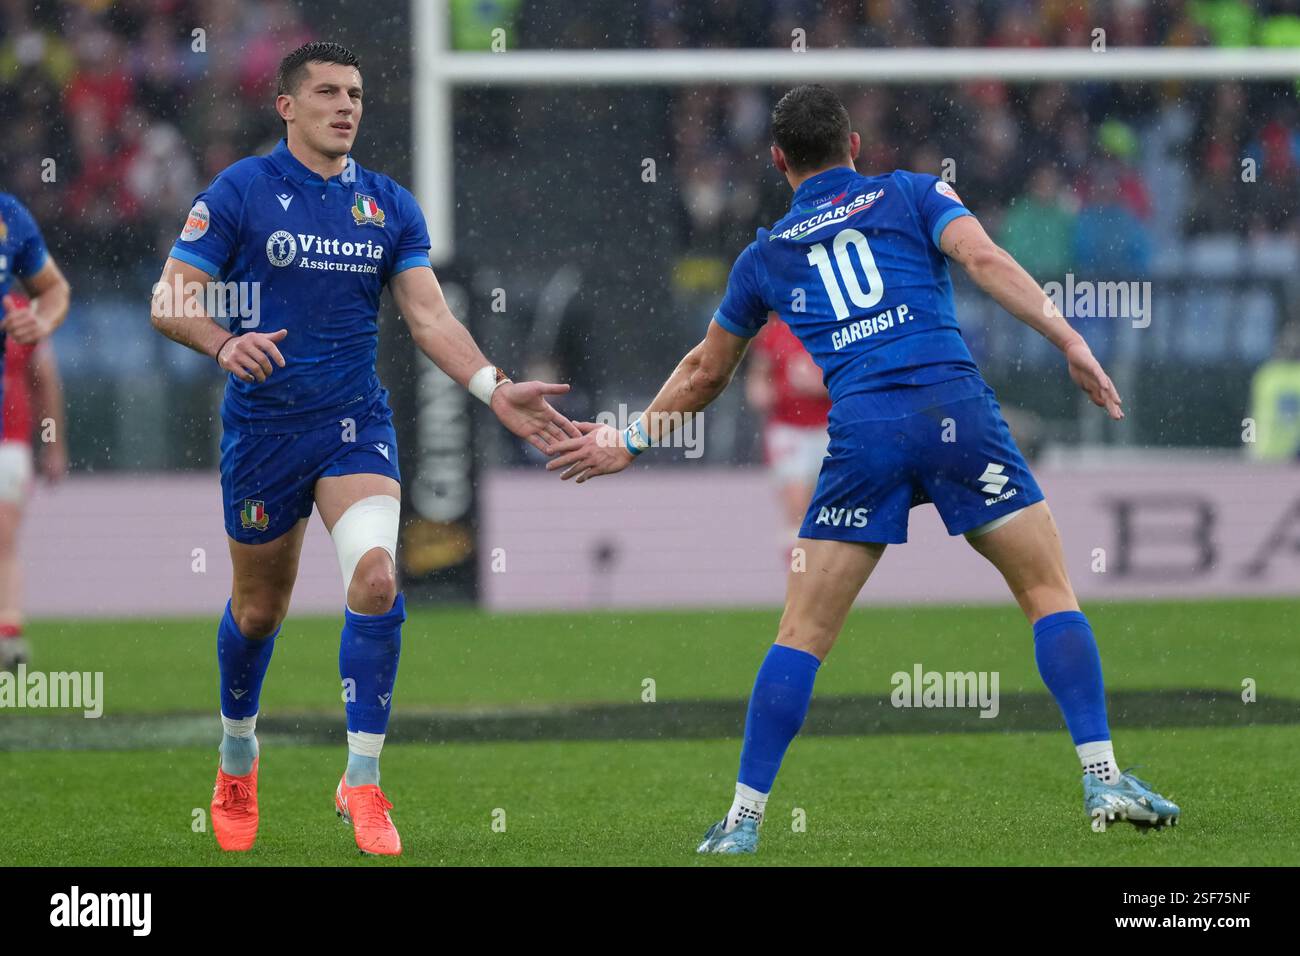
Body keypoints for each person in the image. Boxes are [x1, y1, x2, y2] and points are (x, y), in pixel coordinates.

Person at [545, 84, 1179, 854]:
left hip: (864, 433)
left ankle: (741, 823)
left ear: (779, 162)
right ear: (854, 146)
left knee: (802, 634)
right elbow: (981, 256)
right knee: (1048, 592)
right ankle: (1103, 776)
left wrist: (630, 441)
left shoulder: (765, 257)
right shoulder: (912, 193)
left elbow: (706, 370)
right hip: (958, 415)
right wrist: (1069, 340)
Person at [151, 41, 578, 856]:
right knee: (258, 610)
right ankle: (238, 754)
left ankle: (363, 780)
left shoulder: (386, 205)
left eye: (355, 93)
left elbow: (428, 317)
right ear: (286, 105)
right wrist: (220, 344)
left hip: (355, 425)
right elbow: (169, 299)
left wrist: (494, 388)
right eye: (326, 92)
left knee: (379, 578)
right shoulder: (241, 190)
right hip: (265, 432)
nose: (346, 106)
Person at [0, 195, 71, 672]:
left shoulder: (9, 216)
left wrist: (41, 321)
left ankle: (8, 637)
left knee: (3, 536)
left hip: (7, 434)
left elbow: (55, 290)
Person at [744, 315, 830, 549]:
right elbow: (758, 377)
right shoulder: (774, 333)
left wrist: (821, 385)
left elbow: (850, 378)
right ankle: (798, 575)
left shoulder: (830, 326)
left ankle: (819, 576)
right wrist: (761, 392)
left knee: (827, 512)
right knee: (797, 505)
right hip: (788, 429)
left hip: (829, 429)